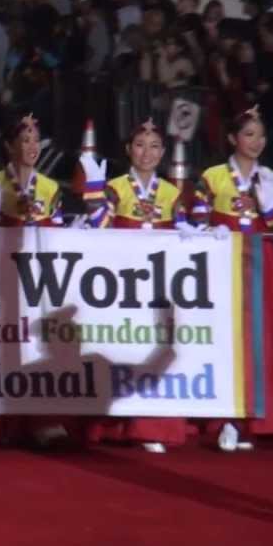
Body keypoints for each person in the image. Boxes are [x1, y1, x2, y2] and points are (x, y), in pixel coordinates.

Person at [80, 118, 194, 453]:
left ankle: (152, 426)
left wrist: (199, 235)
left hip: (159, 284)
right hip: (122, 285)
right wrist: (94, 189)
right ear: (129, 150)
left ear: (163, 153)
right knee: (123, 350)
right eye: (140, 145)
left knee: (154, 350)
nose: (147, 153)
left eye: (155, 146)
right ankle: (113, 425)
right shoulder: (116, 187)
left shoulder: (173, 192)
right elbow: (98, 224)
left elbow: (188, 230)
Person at [192, 106, 273, 451]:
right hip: (224, 261)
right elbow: (193, 220)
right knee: (225, 336)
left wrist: (271, 206)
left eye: (260, 135)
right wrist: (210, 229)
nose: (256, 142)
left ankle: (255, 419)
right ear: (232, 139)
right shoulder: (213, 176)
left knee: (259, 337)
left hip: (261, 261)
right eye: (249, 134)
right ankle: (225, 417)